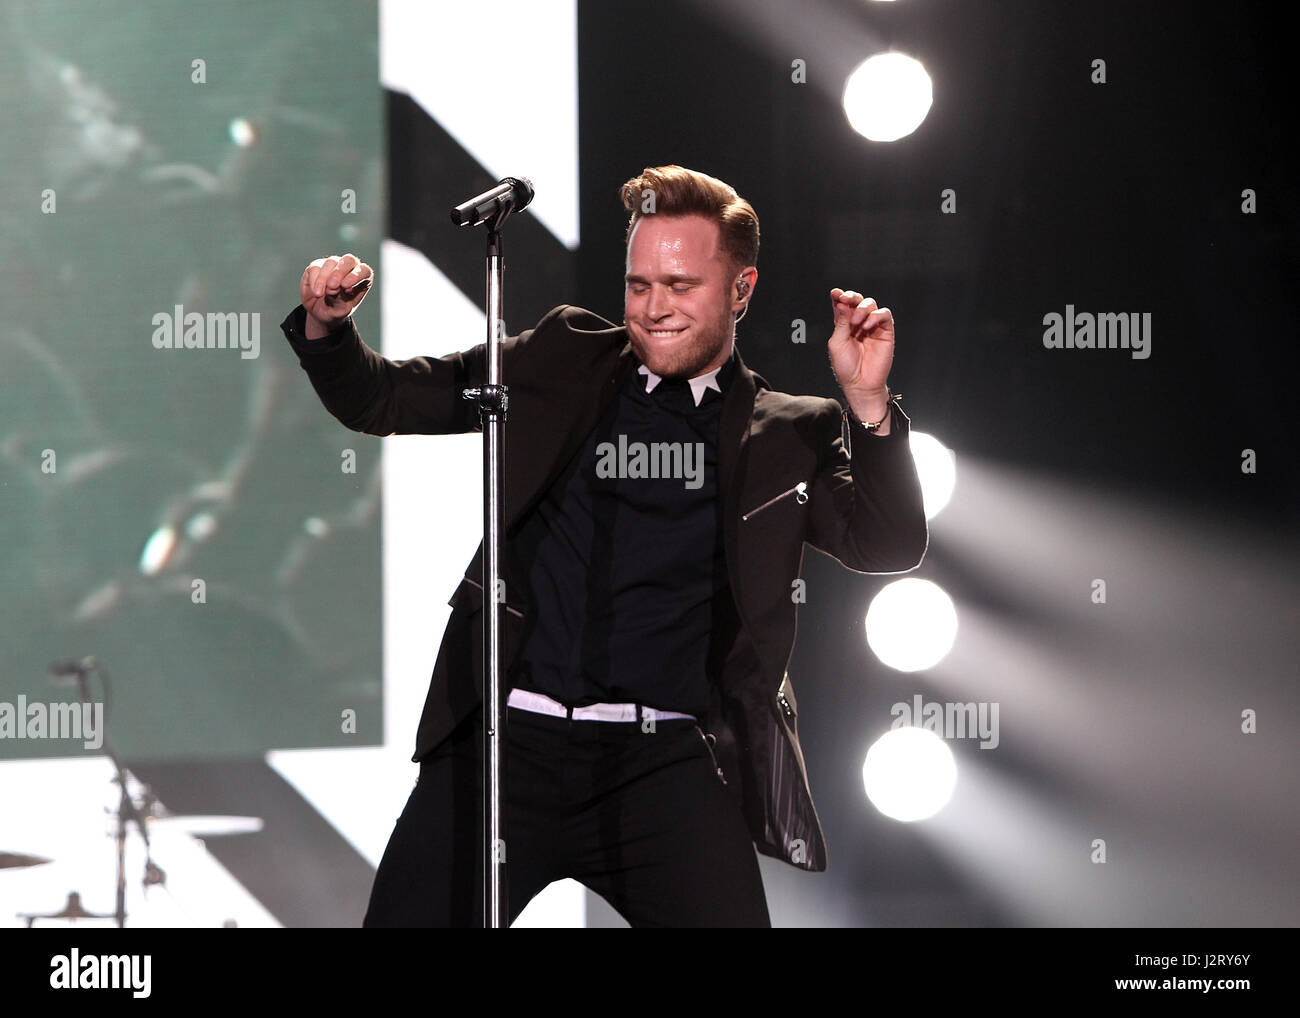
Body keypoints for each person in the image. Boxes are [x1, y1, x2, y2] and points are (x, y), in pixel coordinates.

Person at [280, 165, 928, 927]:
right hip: (504, 746)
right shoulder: (561, 357)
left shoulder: (791, 431)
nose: (654, 310)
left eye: (680, 286)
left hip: (667, 765)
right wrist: (328, 329)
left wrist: (867, 402)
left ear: (741, 290)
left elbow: (885, 543)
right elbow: (383, 397)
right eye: (639, 284)